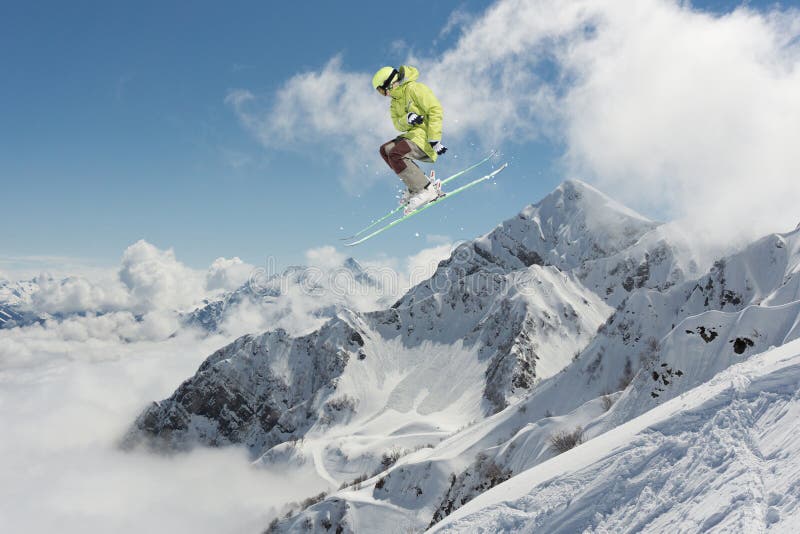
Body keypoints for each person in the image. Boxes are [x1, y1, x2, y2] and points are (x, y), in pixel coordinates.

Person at [373, 65, 448, 214]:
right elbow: (397, 124)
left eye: (382, 90)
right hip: (412, 136)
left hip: (425, 138)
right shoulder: (394, 102)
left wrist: (434, 139)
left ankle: (427, 190)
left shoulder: (414, 89)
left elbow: (435, 110)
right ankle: (415, 186)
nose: (383, 94)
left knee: (396, 154)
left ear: (390, 83)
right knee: (385, 150)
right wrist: (407, 119)